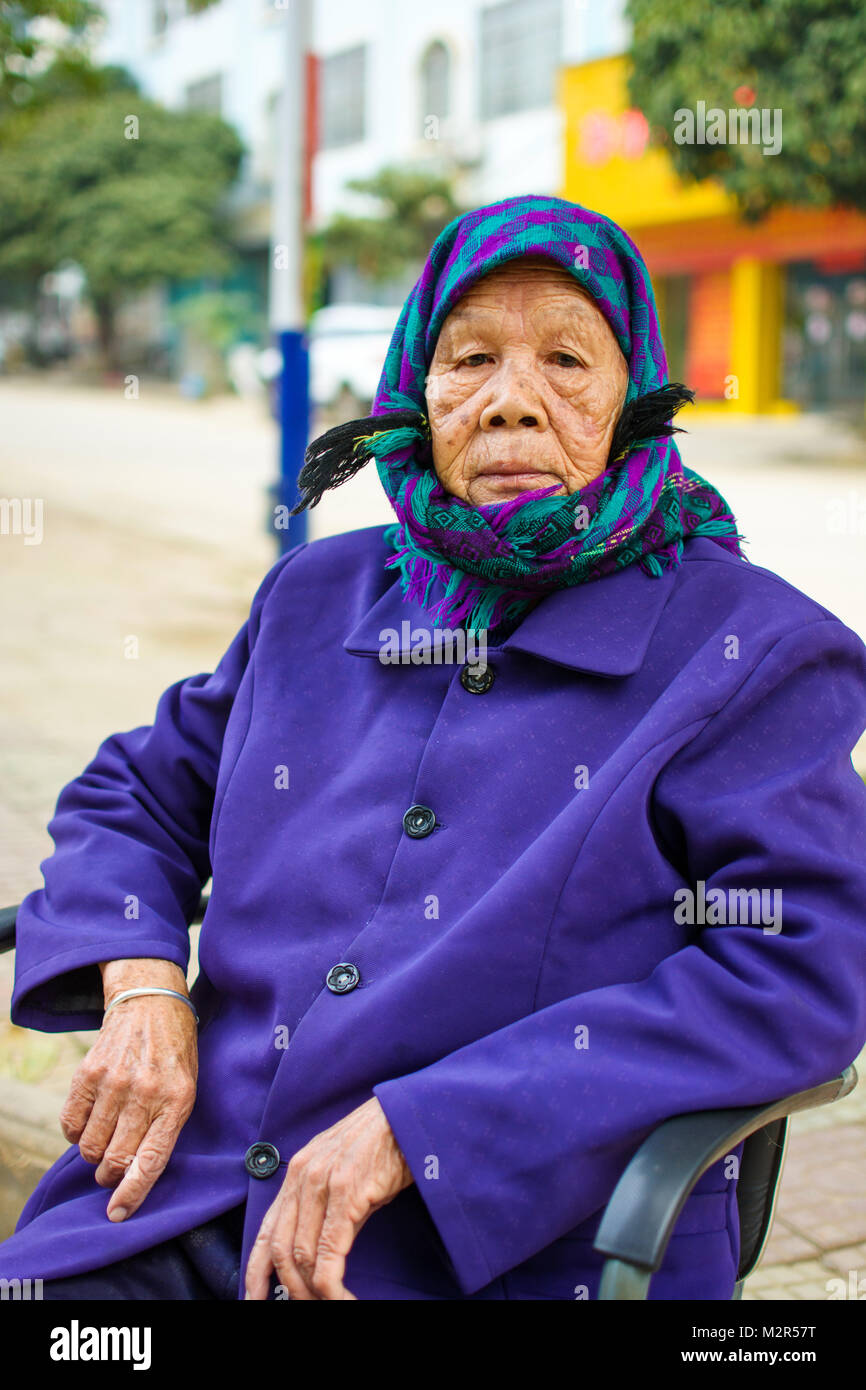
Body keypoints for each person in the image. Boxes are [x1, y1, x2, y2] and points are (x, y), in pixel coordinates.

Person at [2, 194, 866, 1301]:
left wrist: (426, 1129)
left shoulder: (749, 648)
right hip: (174, 1200)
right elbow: (135, 792)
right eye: (470, 361)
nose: (511, 405)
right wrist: (138, 984)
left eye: (565, 359)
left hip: (502, 1246)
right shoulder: (314, 595)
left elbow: (801, 968)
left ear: (633, 397)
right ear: (416, 389)